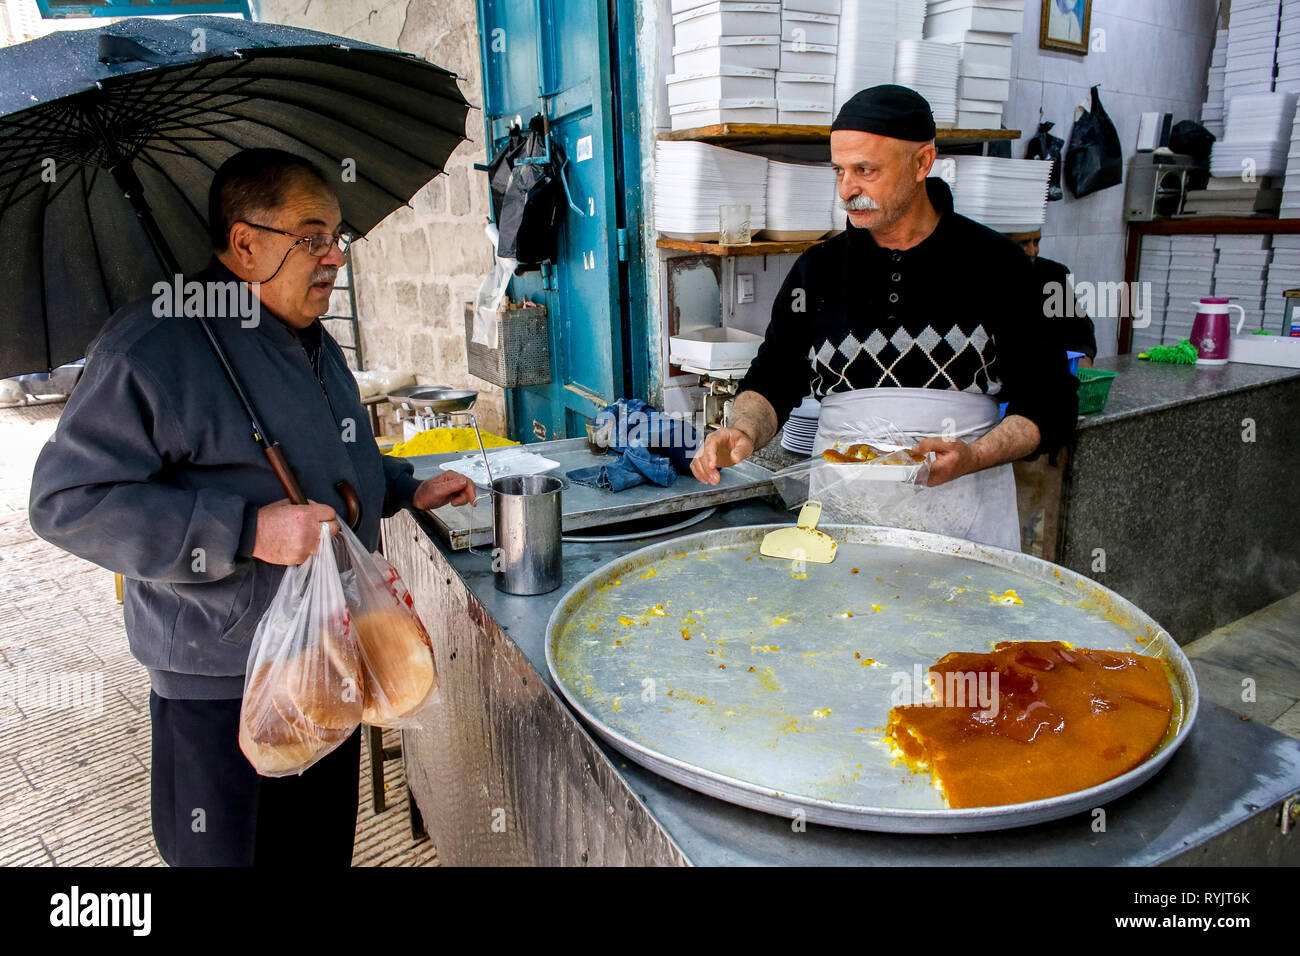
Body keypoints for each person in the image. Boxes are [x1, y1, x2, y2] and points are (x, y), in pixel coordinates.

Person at [29, 148, 476, 867]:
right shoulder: (154, 347)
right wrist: (244, 529)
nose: (333, 256)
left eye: (337, 235)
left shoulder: (304, 334)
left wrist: (401, 486)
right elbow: (67, 502)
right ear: (245, 243)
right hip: (223, 679)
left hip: (326, 652)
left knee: (314, 849)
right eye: (311, 236)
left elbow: (328, 461)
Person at [691, 85, 1078, 551]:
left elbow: (1051, 404)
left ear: (922, 163)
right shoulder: (817, 271)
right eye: (839, 171)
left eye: (865, 170)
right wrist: (742, 430)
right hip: (842, 523)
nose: (846, 190)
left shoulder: (998, 265)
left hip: (963, 522)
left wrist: (974, 455)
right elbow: (774, 375)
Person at [1010, 228, 1097, 367]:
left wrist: (1083, 357)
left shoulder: (1052, 274)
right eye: (1023, 243)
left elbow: (1080, 330)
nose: (1033, 251)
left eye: (1036, 242)